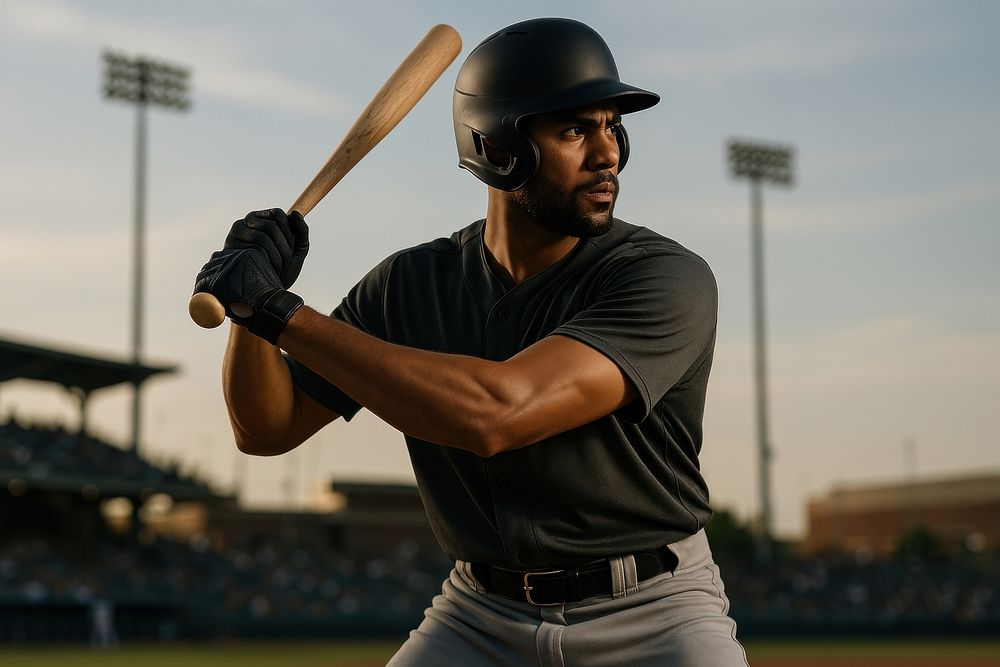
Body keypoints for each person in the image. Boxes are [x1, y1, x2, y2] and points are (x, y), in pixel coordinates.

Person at [194, 17, 748, 666]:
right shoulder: (409, 283)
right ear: (499, 149)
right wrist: (249, 317)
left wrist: (281, 311)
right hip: (480, 612)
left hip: (655, 610)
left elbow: (499, 412)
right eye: (575, 128)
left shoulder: (664, 277)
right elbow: (267, 427)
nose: (608, 154)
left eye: (610, 126)